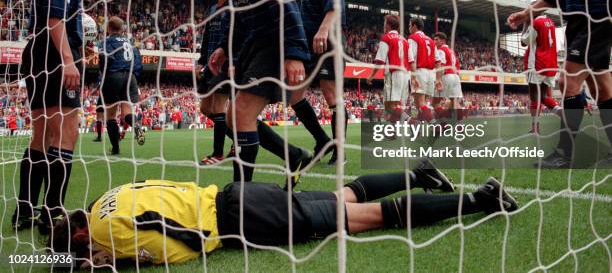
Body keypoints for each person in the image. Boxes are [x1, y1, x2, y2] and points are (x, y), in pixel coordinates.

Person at [48, 159, 518, 268]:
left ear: (81, 238)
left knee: (362, 218)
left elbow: (178, 246)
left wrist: (125, 262)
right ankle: (415, 172)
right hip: (234, 193)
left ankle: (480, 199)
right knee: (342, 197)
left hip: (240, 223)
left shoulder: (108, 231)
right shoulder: (107, 197)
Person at [177, 0, 312, 184]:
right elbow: (238, 18)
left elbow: (284, 2)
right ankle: (294, 155)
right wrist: (225, 50)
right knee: (230, 117)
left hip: (275, 42)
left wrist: (295, 53)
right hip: (254, 45)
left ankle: (242, 195)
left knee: (240, 113)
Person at [507, 0, 612, 168]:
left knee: (567, 83)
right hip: (576, 27)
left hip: (596, 22)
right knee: (603, 89)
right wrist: (524, 14)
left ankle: (565, 154)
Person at [13, 0, 94, 233]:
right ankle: (53, 212)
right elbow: (54, 19)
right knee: (65, 133)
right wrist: (68, 59)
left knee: (43, 136)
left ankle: (24, 211)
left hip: (38, 51)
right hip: (53, 52)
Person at [290, 0, 347, 165]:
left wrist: (323, 30)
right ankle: (322, 139)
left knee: (331, 94)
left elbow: (335, 4)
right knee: (294, 94)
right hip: (308, 44)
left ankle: (340, 151)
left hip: (328, 40)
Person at [197, 0, 234, 165]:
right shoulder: (213, 9)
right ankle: (237, 140)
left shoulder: (232, 7)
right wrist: (201, 60)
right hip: (208, 65)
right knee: (205, 108)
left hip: (224, 65)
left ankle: (217, 154)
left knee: (219, 108)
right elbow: (206, 37)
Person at [97, 16, 144, 155]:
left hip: (113, 76)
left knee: (110, 116)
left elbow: (106, 60)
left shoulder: (107, 42)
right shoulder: (130, 42)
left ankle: (115, 148)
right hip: (130, 77)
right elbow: (138, 63)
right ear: (122, 29)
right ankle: (137, 125)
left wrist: (103, 77)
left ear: (108, 28)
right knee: (127, 113)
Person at [367, 14, 411, 123]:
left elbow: (380, 60)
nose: (383, 25)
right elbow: (411, 61)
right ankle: (392, 132)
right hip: (406, 74)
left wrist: (371, 76)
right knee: (390, 105)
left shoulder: (386, 38)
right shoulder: (404, 40)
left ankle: (411, 122)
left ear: (388, 25)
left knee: (391, 106)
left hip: (394, 74)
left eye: (384, 23)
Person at [520, 16, 561, 134]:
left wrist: (526, 22)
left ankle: (536, 128)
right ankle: (559, 111)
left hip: (538, 65)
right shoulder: (550, 22)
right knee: (543, 96)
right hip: (551, 64)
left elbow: (523, 42)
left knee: (534, 98)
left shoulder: (536, 22)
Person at [407, 18, 436, 121]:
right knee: (420, 103)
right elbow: (437, 60)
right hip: (431, 73)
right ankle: (417, 127)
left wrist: (413, 77)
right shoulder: (431, 40)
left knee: (420, 103)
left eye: (410, 25)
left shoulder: (413, 38)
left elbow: (412, 58)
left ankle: (437, 125)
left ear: (415, 26)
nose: (409, 28)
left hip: (420, 72)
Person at [432, 32, 463, 123]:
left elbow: (442, 66)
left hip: (446, 76)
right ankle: (459, 124)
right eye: (434, 39)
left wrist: (438, 80)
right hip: (455, 77)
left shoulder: (441, 50)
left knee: (435, 102)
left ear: (443, 41)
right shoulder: (451, 51)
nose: (434, 41)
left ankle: (443, 121)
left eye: (436, 39)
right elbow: (457, 66)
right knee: (454, 102)